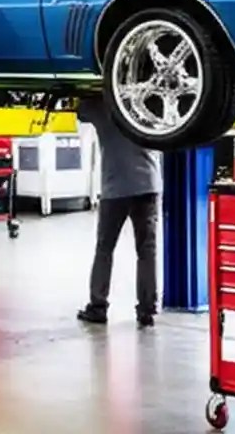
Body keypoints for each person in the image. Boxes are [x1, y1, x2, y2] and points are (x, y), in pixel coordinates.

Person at [75, 96, 162, 328]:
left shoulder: (103, 105)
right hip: (148, 184)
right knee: (147, 251)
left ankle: (98, 307)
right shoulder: (152, 102)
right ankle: (147, 310)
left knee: (104, 248)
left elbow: (80, 109)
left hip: (116, 188)